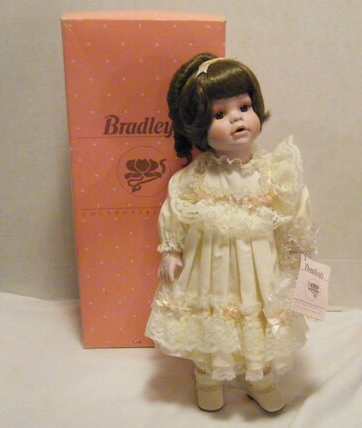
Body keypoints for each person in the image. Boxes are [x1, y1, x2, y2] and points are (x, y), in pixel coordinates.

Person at [145, 53, 315, 413]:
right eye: (219, 114)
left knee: (259, 322)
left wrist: (296, 252)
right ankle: (207, 377)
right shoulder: (195, 178)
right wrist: (171, 250)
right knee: (212, 320)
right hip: (210, 268)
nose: (237, 118)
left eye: (244, 107)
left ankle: (259, 378)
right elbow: (175, 210)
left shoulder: (274, 172)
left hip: (260, 269)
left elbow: (294, 208)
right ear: (198, 127)